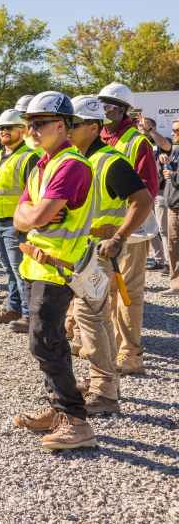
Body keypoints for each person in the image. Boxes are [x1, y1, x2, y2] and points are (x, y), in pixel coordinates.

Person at [12, 90, 96, 450]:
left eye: (39, 123)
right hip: (39, 265)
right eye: (28, 123)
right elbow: (20, 218)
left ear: (61, 126)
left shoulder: (71, 166)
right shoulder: (43, 164)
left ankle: (75, 420)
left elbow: (40, 216)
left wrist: (35, 216)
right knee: (46, 340)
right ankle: (58, 408)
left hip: (58, 269)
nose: (31, 129)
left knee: (45, 340)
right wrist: (34, 216)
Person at [67, 95, 151, 415]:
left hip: (98, 255)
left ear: (93, 126)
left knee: (90, 318)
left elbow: (141, 200)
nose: (68, 131)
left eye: (73, 125)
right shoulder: (77, 159)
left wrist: (118, 236)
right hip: (82, 252)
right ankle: (101, 380)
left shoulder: (111, 161)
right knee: (95, 319)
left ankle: (104, 391)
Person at [97, 82, 157, 375]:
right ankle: (110, 345)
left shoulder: (137, 142)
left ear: (123, 110)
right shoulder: (99, 138)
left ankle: (131, 354)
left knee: (128, 293)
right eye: (102, 105)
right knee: (103, 291)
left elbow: (148, 190)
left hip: (131, 233)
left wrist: (123, 229)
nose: (105, 111)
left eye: (110, 106)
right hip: (104, 232)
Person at [0, 110, 38, 328]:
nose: (4, 131)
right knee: (9, 270)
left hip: (17, 224)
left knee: (21, 271)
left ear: (23, 130)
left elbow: (33, 193)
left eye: (9, 127)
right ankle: (14, 308)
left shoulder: (28, 157)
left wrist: (24, 222)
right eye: (1, 128)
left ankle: (29, 315)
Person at [138, 115, 172, 271]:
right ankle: (159, 259)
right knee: (147, 229)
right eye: (141, 125)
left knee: (164, 229)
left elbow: (166, 146)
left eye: (146, 126)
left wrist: (150, 130)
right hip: (141, 193)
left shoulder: (160, 141)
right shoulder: (137, 142)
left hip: (159, 192)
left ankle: (168, 263)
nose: (142, 127)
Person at [163, 120, 179, 296]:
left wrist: (172, 175)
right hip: (173, 204)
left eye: (177, 130)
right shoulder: (174, 150)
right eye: (173, 130)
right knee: (173, 246)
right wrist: (166, 164)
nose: (174, 133)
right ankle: (176, 285)